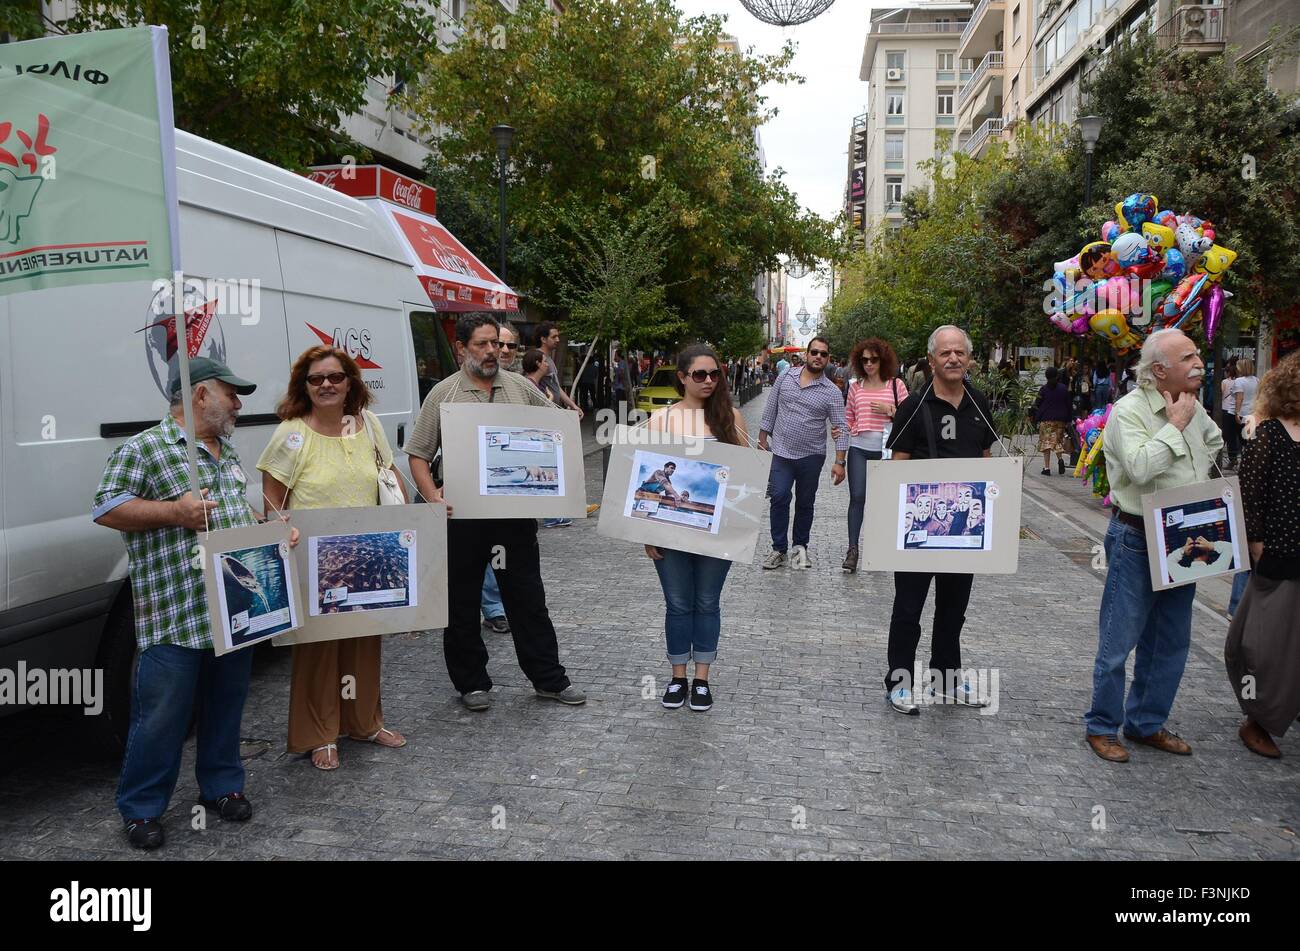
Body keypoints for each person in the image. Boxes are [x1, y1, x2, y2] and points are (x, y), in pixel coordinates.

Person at [92, 358, 297, 849]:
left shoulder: (225, 451)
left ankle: (222, 787)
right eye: (232, 393)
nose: (239, 403)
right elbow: (105, 508)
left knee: (226, 707)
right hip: (175, 613)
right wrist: (174, 512)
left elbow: (230, 510)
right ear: (200, 394)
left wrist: (269, 531)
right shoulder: (145, 448)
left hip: (232, 610)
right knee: (160, 718)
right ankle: (141, 809)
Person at [405, 314, 586, 712]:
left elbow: (553, 430)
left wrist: (567, 431)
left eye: (497, 344)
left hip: (513, 516)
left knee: (527, 598)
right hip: (463, 518)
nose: (492, 352)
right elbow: (418, 453)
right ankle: (472, 683)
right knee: (461, 602)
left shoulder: (519, 387)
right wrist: (433, 495)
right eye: (483, 344)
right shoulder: (443, 394)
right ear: (461, 348)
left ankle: (549, 679)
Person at [257, 346, 409, 771]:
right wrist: (280, 530)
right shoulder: (291, 433)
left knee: (363, 640)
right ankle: (319, 734)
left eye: (335, 377)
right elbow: (271, 495)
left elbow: (389, 474)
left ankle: (364, 723)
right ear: (304, 387)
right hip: (313, 559)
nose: (326, 385)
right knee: (318, 649)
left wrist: (415, 519)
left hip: (368, 554)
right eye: (316, 379)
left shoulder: (369, 423)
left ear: (350, 383)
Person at [1083, 328, 1224, 762]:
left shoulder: (1193, 406)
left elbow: (1214, 444)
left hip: (1185, 535)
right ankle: (1102, 726)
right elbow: (1142, 468)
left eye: (1197, 354)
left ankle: (1146, 723)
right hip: (1136, 537)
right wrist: (1175, 427)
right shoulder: (1128, 411)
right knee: (1118, 640)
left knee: (1170, 640)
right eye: (1188, 357)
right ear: (1159, 370)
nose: (1198, 363)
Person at [884, 325, 996, 716]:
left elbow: (986, 460)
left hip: (963, 531)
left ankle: (946, 679)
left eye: (960, 353)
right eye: (945, 353)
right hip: (920, 531)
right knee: (908, 609)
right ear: (931, 360)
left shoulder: (979, 403)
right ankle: (899, 683)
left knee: (953, 610)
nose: (953, 359)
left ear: (969, 359)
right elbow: (896, 467)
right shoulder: (913, 406)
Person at [644, 344, 750, 713]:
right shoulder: (661, 420)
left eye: (714, 374)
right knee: (677, 604)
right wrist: (647, 532)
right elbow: (642, 476)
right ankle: (677, 677)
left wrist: (740, 524)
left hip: (716, 532)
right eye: (699, 375)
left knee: (707, 603)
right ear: (682, 377)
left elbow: (743, 480)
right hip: (669, 531)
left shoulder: (731, 418)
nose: (708, 381)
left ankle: (701, 679)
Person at [1226, 352, 1300, 758]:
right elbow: (1249, 493)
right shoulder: (1267, 433)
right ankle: (1259, 718)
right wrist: (1255, 542)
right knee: (1268, 642)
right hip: (1280, 549)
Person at [759, 337, 848, 570]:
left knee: (805, 502)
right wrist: (761, 441)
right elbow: (770, 408)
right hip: (781, 452)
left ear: (828, 359)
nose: (818, 356)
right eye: (814, 352)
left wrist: (840, 461)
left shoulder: (831, 392)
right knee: (779, 496)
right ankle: (778, 548)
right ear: (807, 354)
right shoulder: (786, 377)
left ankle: (800, 548)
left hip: (811, 456)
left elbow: (841, 427)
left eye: (823, 354)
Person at [841, 338, 908, 572]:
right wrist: (844, 428)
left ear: (883, 360)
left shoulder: (895, 386)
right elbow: (848, 416)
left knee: (882, 502)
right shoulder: (855, 386)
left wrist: (891, 410)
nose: (869, 364)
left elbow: (910, 418)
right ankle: (852, 550)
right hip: (859, 448)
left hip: (887, 451)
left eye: (874, 359)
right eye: (864, 360)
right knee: (857, 497)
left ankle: (880, 548)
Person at [536, 323, 579, 528]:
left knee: (556, 463)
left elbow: (556, 388)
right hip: (545, 420)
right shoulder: (539, 359)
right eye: (554, 336)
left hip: (554, 418)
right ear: (543, 339)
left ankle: (555, 511)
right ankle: (551, 515)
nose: (558, 340)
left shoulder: (549, 361)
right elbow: (532, 383)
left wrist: (571, 405)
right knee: (548, 464)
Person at [1032, 366, 1073, 476]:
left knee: (1047, 443)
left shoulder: (1044, 389)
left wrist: (1034, 417)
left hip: (1046, 420)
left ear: (1046, 376)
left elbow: (1037, 404)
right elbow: (1068, 404)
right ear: (1057, 376)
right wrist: (1069, 418)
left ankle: (1047, 468)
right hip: (1060, 420)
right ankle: (1060, 459)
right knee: (1057, 441)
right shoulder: (1063, 388)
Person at [1229, 357, 1258, 466]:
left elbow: (1239, 398)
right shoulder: (1256, 380)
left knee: (1238, 438)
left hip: (1241, 413)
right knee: (1250, 439)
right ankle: (1252, 461)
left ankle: (1240, 461)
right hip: (1252, 412)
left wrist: (1237, 413)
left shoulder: (1239, 381)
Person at [1218, 357, 1239, 469]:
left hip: (1225, 408)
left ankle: (1222, 457)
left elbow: (1221, 393)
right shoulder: (1239, 382)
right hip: (1235, 409)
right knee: (1233, 436)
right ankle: (1233, 458)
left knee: (1225, 434)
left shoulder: (1224, 382)